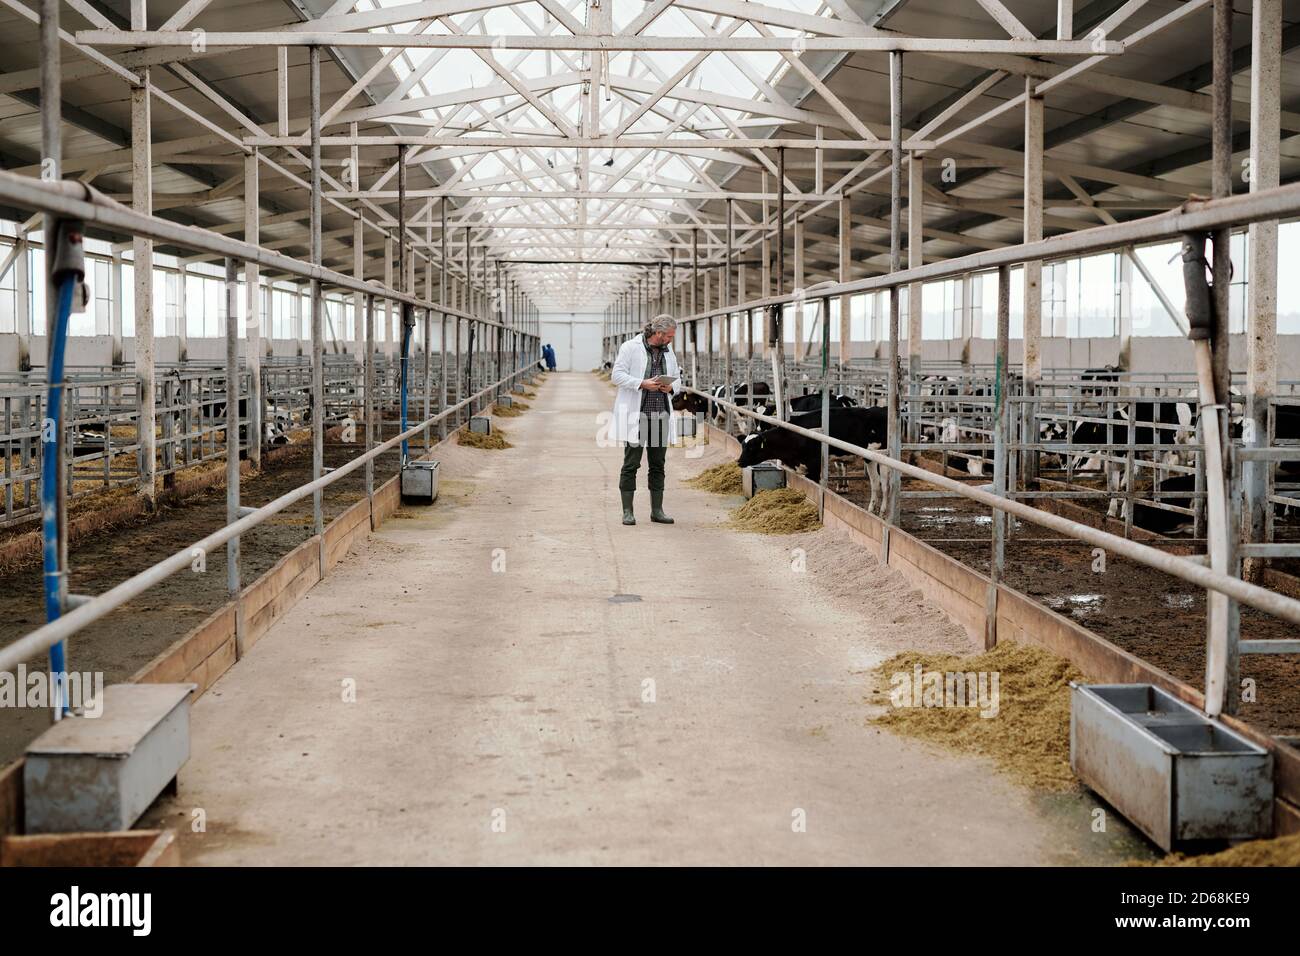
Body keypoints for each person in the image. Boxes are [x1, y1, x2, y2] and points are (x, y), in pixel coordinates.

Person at [609, 314, 682, 526]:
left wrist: (672, 387)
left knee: (658, 464)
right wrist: (641, 383)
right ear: (658, 333)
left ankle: (657, 511)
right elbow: (617, 375)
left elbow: (677, 378)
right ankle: (627, 511)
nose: (670, 339)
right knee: (631, 463)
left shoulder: (669, 352)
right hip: (636, 416)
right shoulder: (630, 347)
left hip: (661, 415)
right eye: (668, 336)